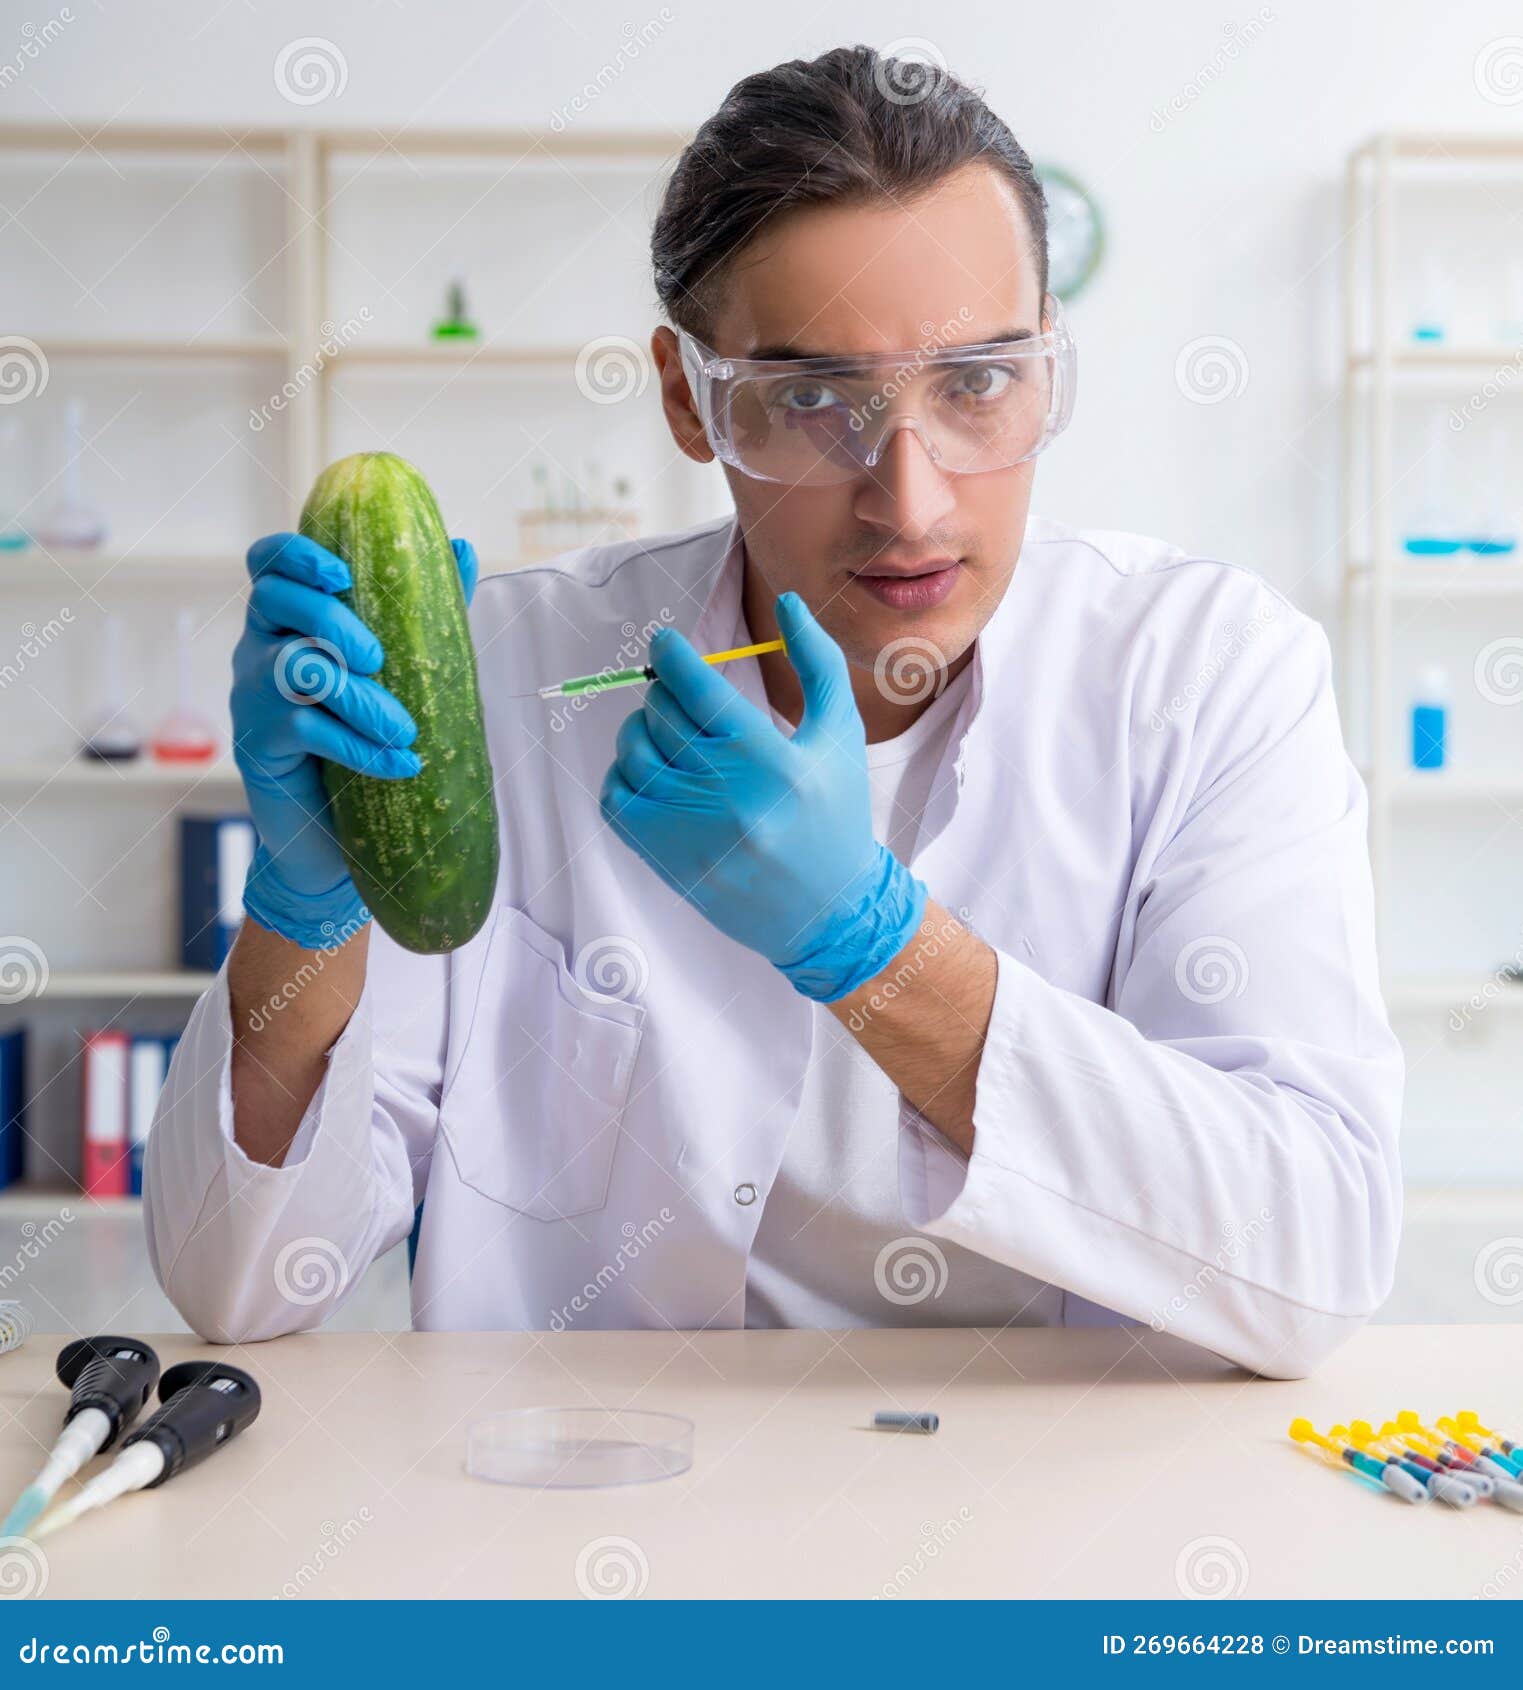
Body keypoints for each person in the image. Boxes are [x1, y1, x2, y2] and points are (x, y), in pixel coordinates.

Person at [144, 44, 1402, 1379]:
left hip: (1042, 1536)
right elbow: (245, 1285)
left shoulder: (1208, 677)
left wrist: (869, 943)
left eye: (977, 381)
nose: (909, 500)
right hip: (571, 1517)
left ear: (1049, 368)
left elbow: (1310, 1259)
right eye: (815, 400)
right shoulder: (508, 675)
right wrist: (304, 913)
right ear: (692, 400)